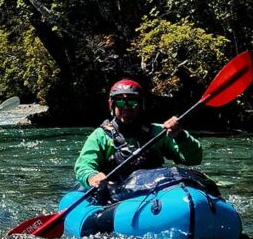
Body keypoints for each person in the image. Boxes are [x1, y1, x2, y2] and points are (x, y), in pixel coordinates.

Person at [73, 78, 202, 190]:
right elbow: (84, 165)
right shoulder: (101, 136)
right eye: (120, 102)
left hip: (152, 192)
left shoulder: (159, 132)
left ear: (142, 105)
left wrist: (181, 136)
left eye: (133, 101)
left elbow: (194, 159)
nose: (126, 107)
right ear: (112, 105)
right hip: (115, 195)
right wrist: (91, 177)